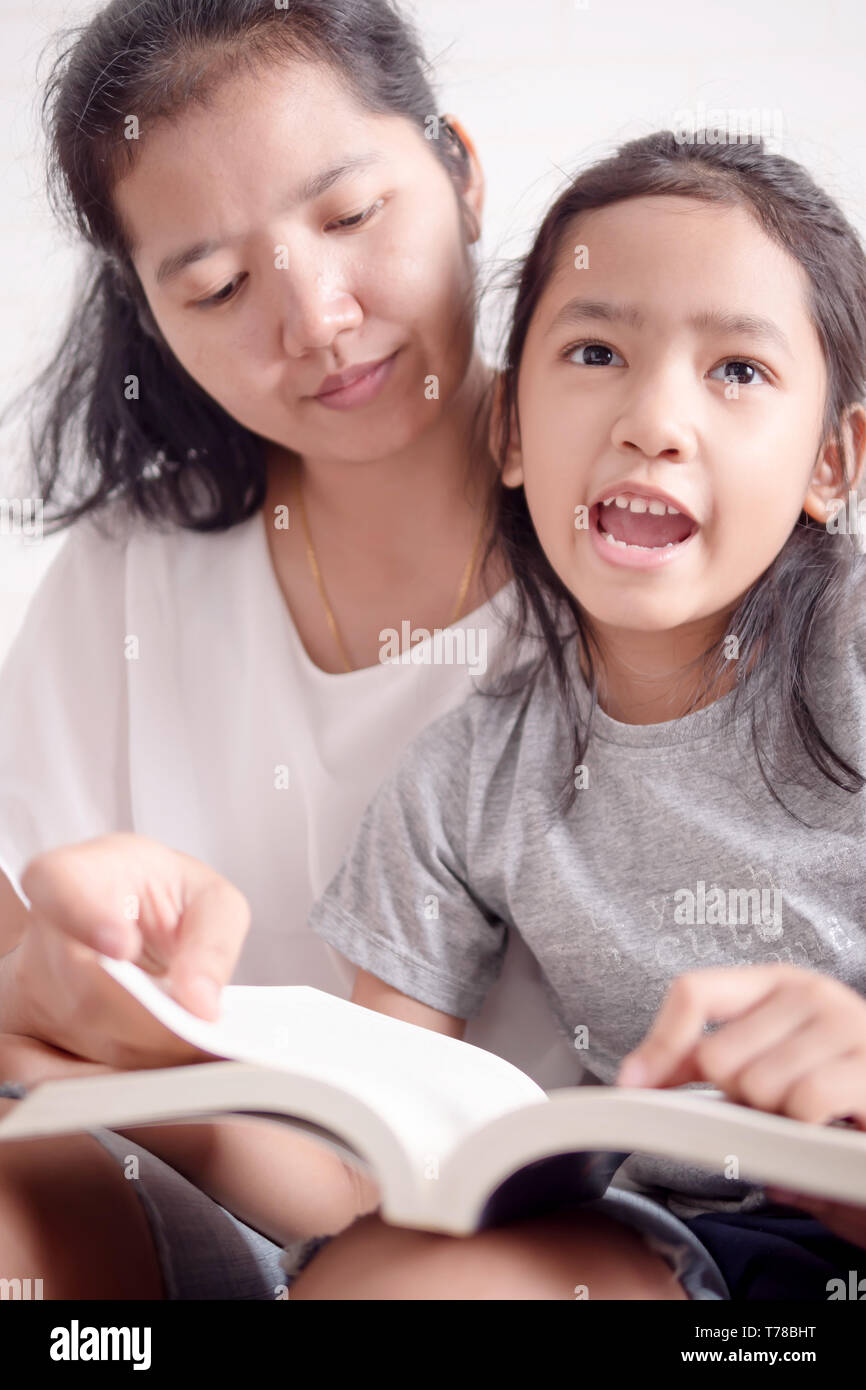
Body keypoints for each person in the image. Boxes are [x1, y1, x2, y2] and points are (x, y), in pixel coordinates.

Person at [0, 0, 586, 1300]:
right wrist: (51, 970)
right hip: (189, 1189)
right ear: (152, 314)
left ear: (461, 168)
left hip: (535, 1239)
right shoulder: (125, 577)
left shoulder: (646, 538)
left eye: (348, 217)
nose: (315, 318)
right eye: (215, 285)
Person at [277, 129, 866, 1300]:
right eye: (594, 349)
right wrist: (147, 1064)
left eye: (736, 372)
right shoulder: (467, 772)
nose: (651, 418)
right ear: (506, 432)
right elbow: (373, 1146)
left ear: (832, 464)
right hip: (676, 1257)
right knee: (383, 1275)